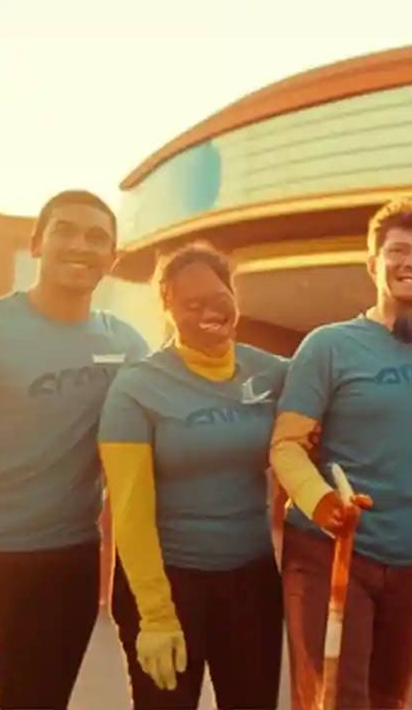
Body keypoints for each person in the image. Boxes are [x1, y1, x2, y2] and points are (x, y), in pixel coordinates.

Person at [0, 190, 149, 709]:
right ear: (36, 244)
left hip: (67, 567)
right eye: (64, 230)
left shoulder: (126, 345)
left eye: (96, 237)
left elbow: (165, 425)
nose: (80, 245)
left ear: (112, 259)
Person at [269, 198, 412, 710]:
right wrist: (323, 503)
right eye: (398, 250)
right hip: (329, 551)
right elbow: (286, 445)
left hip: (411, 562)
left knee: (388, 701)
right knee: (338, 701)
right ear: (373, 263)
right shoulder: (328, 346)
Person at [98, 243, 286, 709]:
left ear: (235, 297)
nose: (208, 313)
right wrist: (156, 615)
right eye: (190, 304)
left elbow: (339, 396)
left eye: (218, 298)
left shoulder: (271, 373)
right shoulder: (137, 387)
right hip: (168, 583)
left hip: (252, 583)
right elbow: (130, 511)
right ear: (167, 307)